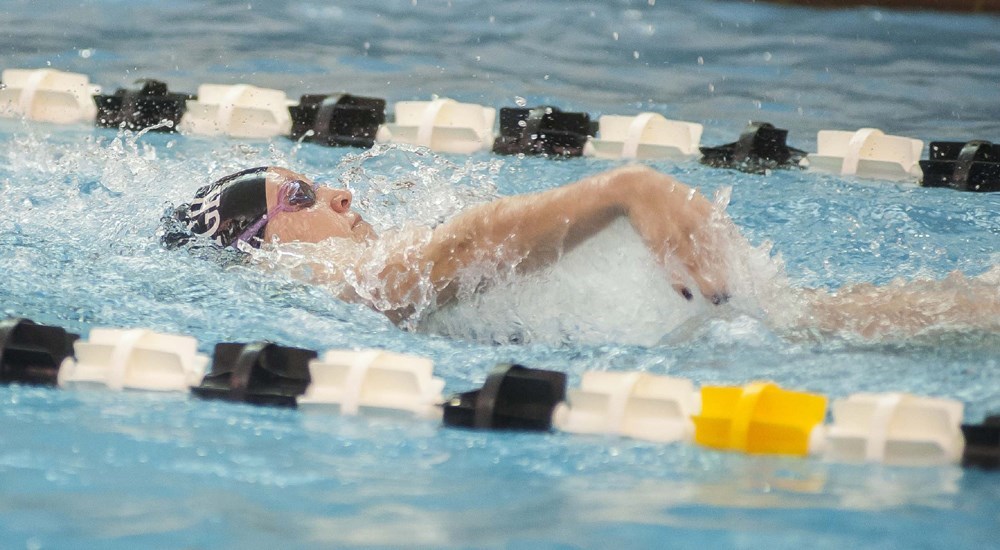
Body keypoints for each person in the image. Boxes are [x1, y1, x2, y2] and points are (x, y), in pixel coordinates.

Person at [163, 165, 999, 336]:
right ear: (255, 241)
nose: (345, 195)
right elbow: (420, 267)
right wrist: (620, 189)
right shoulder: (298, 269)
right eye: (300, 198)